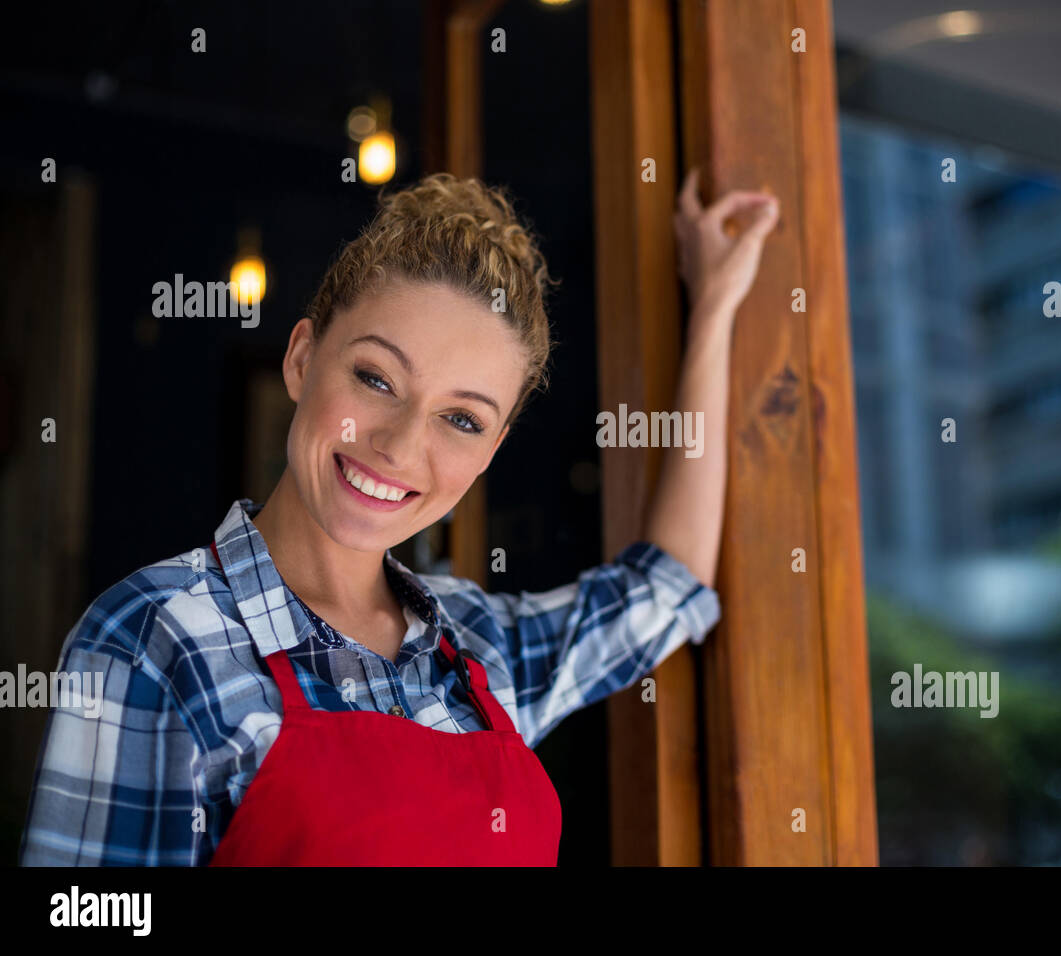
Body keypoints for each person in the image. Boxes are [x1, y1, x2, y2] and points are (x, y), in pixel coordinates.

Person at [19, 168, 780, 865]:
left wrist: (714, 307)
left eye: (462, 420)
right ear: (300, 358)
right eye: (377, 378)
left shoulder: (480, 648)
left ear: (492, 452)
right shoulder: (154, 638)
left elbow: (667, 585)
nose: (399, 446)